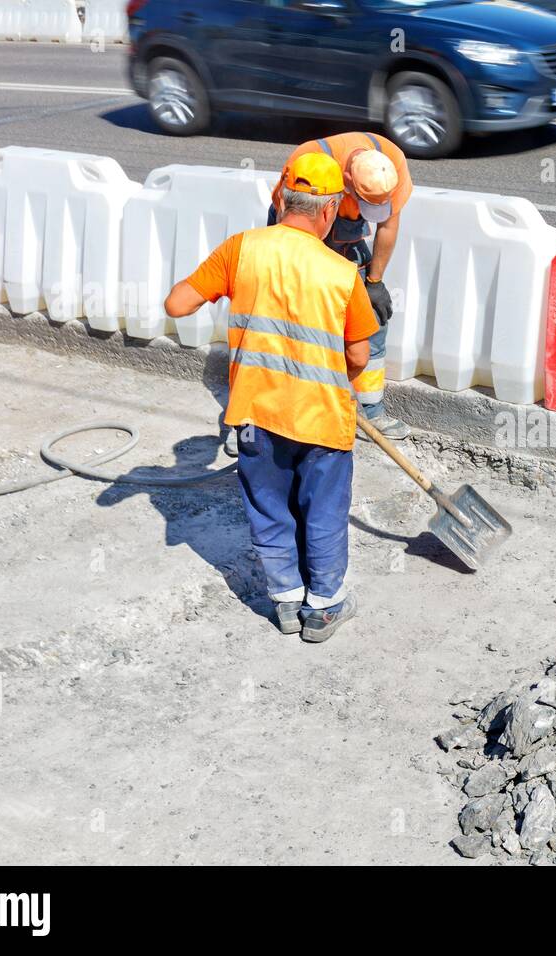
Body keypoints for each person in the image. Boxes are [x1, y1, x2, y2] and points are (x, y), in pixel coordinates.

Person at [164, 152, 378, 643]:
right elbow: (361, 356)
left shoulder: (241, 250)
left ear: (279, 198)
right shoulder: (342, 273)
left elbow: (177, 303)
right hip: (323, 419)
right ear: (329, 212)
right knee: (323, 511)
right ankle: (323, 608)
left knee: (269, 508)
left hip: (256, 414)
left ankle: (284, 601)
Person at [271, 131, 414, 440]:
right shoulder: (310, 161)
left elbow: (388, 225)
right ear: (346, 179)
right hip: (299, 230)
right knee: (294, 322)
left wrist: (373, 282)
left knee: (371, 319)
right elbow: (289, 224)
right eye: (364, 204)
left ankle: (369, 411)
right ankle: (264, 419)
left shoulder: (392, 162)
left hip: (345, 232)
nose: (370, 214)